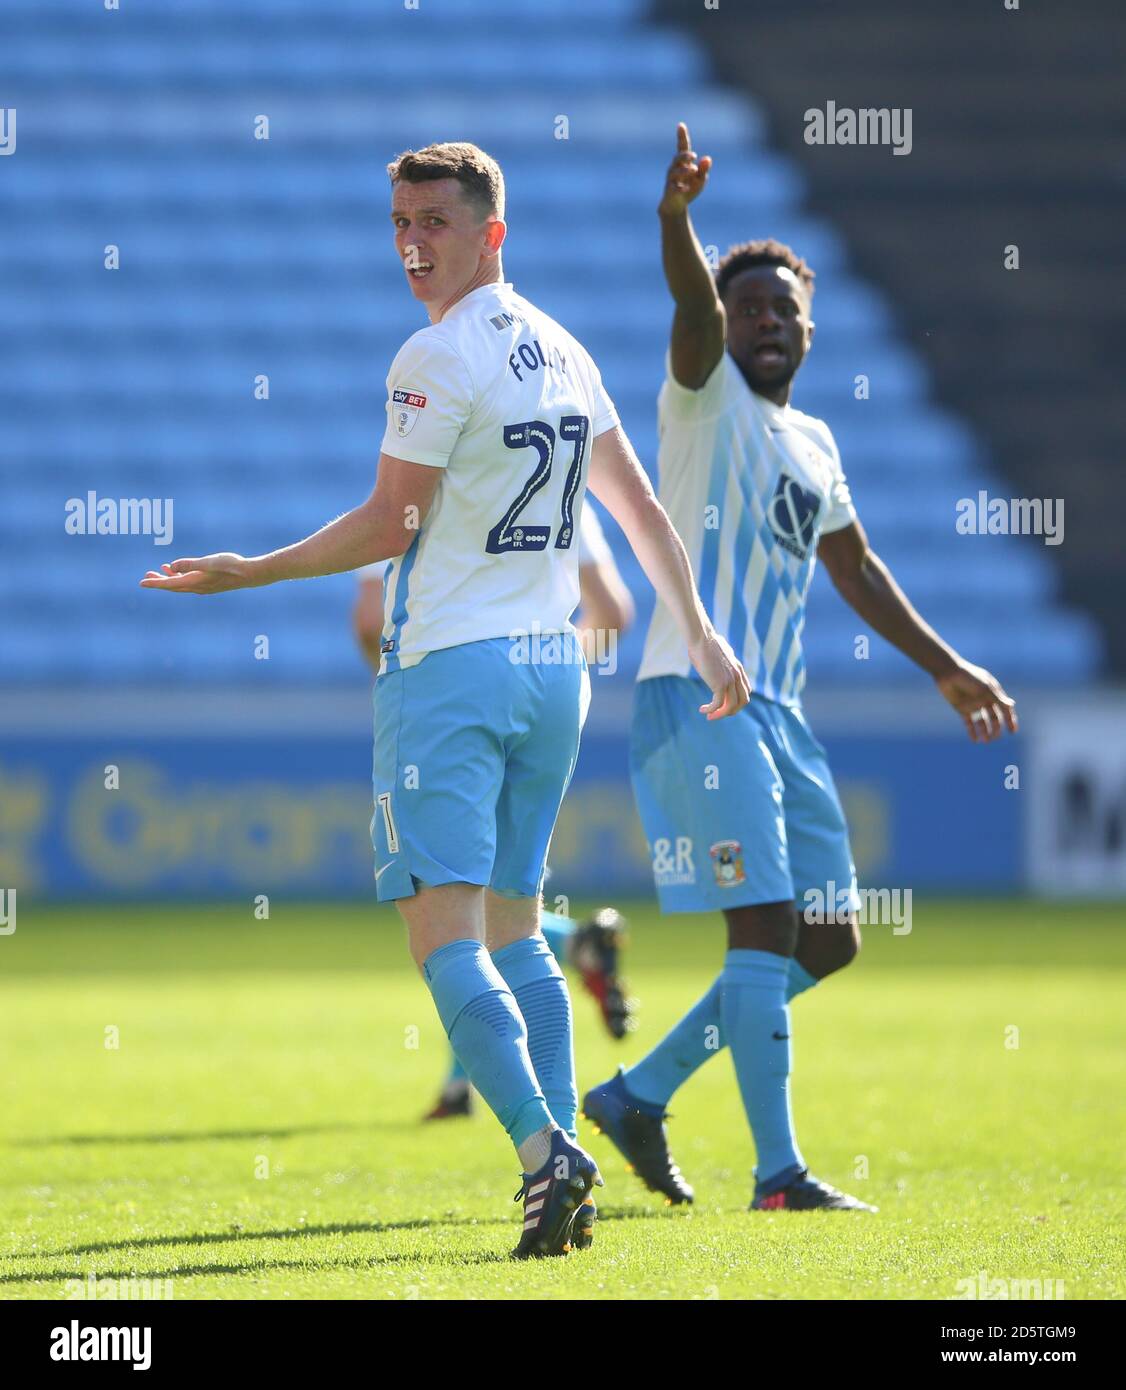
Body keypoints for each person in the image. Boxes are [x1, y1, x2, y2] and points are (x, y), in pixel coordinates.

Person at [141, 140, 749, 1258]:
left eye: (435, 221)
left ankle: (540, 1150)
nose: (414, 242)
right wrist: (700, 637)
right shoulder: (564, 350)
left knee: (444, 936)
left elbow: (390, 524)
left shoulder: (433, 354)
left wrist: (250, 572)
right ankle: (562, 1167)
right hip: (551, 671)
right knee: (518, 923)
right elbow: (640, 510)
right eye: (399, 223)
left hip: (451, 672)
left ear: (492, 232)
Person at [583, 123, 1018, 1214]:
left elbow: (857, 566)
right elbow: (688, 304)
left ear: (811, 330)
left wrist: (945, 665)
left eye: (784, 308)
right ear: (722, 326)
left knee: (828, 937)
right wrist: (675, 222)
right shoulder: (701, 395)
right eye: (749, 307)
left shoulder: (814, 443)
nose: (765, 320)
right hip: (700, 688)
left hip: (779, 710)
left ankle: (640, 1094)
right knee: (765, 925)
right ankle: (777, 1176)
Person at [351, 510, 637, 1123]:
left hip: (447, 703)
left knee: (445, 915)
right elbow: (612, 614)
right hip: (550, 695)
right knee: (506, 917)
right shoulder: (564, 469)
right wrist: (535, 654)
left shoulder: (415, 482)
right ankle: (505, 1096)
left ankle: (523, 1126)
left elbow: (371, 619)